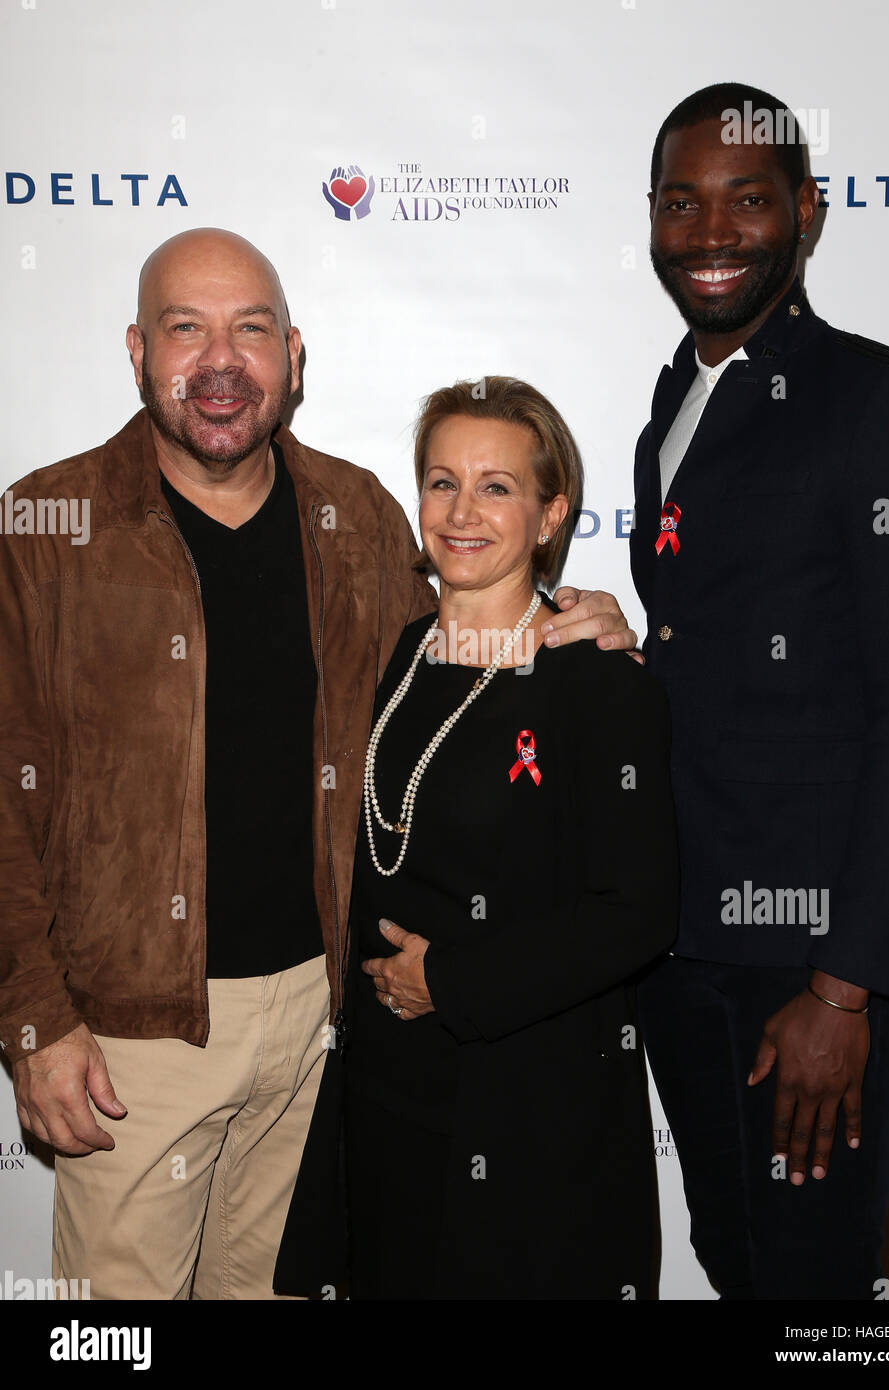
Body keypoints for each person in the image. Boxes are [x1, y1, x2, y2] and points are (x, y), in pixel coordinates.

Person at [0, 228, 637, 1301]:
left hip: (323, 1025)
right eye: (185, 328)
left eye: (250, 329)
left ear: (293, 357)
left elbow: (459, 674)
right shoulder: (44, 527)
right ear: (137, 351)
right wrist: (35, 1020)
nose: (220, 360)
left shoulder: (358, 517)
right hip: (127, 1037)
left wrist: (583, 620)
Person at [631, 83, 889, 1300]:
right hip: (679, 945)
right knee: (736, 1263)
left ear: (807, 211)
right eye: (681, 202)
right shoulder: (673, 404)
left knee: (815, 1292)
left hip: (813, 961)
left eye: (747, 199)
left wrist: (846, 985)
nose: (711, 232)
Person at [275, 377, 679, 1301]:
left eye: (497, 487)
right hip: (388, 1092)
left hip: (530, 1101)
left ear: (551, 515)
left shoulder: (600, 682)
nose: (462, 512)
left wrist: (452, 983)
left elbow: (639, 913)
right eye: (442, 482)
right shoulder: (403, 653)